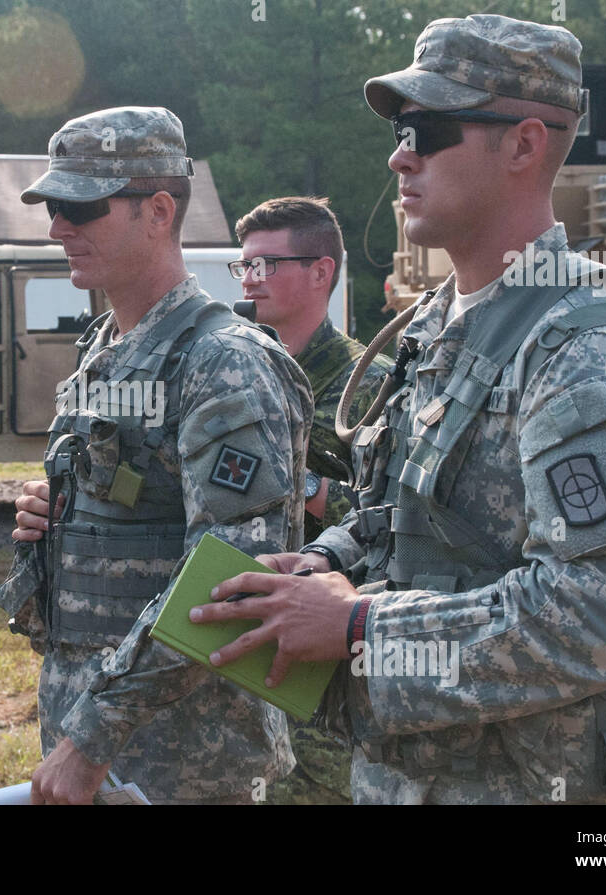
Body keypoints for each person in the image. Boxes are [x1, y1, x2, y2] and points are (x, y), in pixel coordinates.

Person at [191, 14, 606, 804]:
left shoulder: (590, 351)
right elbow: (394, 512)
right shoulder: (435, 329)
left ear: (525, 145)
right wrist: (326, 563)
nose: (401, 154)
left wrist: (361, 629)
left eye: (429, 128)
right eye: (402, 130)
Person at [0, 106, 314, 804]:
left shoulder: (221, 364)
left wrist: (94, 735)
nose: (57, 228)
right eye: (53, 206)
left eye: (81, 206)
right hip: (96, 745)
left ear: (159, 210)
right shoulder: (103, 351)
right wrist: (60, 516)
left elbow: (230, 574)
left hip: (189, 762)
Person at [232, 196, 390, 804]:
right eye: (244, 266)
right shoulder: (238, 371)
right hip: (241, 624)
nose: (250, 279)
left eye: (267, 264)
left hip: (322, 645)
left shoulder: (366, 383)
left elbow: (391, 515)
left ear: (321, 272)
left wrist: (302, 486)